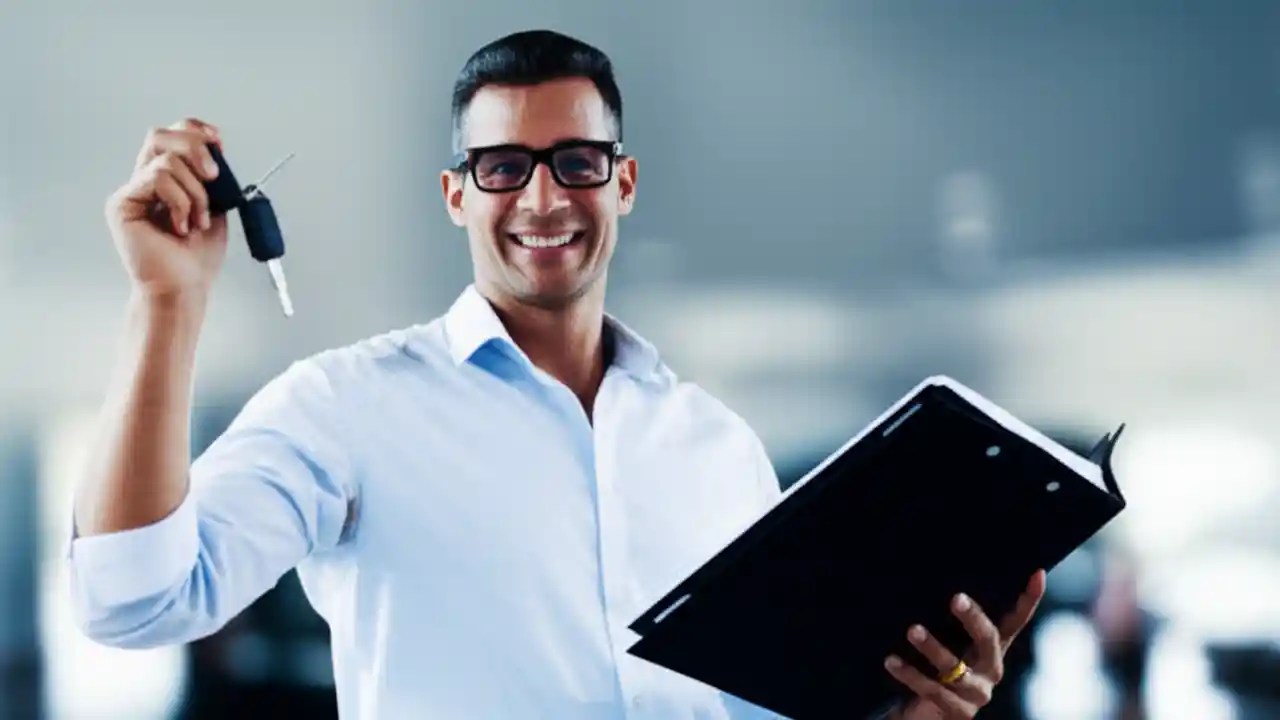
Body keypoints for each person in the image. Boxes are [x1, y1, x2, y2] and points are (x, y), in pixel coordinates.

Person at [69, 29, 1045, 719]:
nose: (541, 196)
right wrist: (168, 305)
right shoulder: (342, 409)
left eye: (575, 160)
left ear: (621, 182)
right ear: (457, 195)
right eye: (502, 167)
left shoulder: (718, 447)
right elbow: (132, 599)